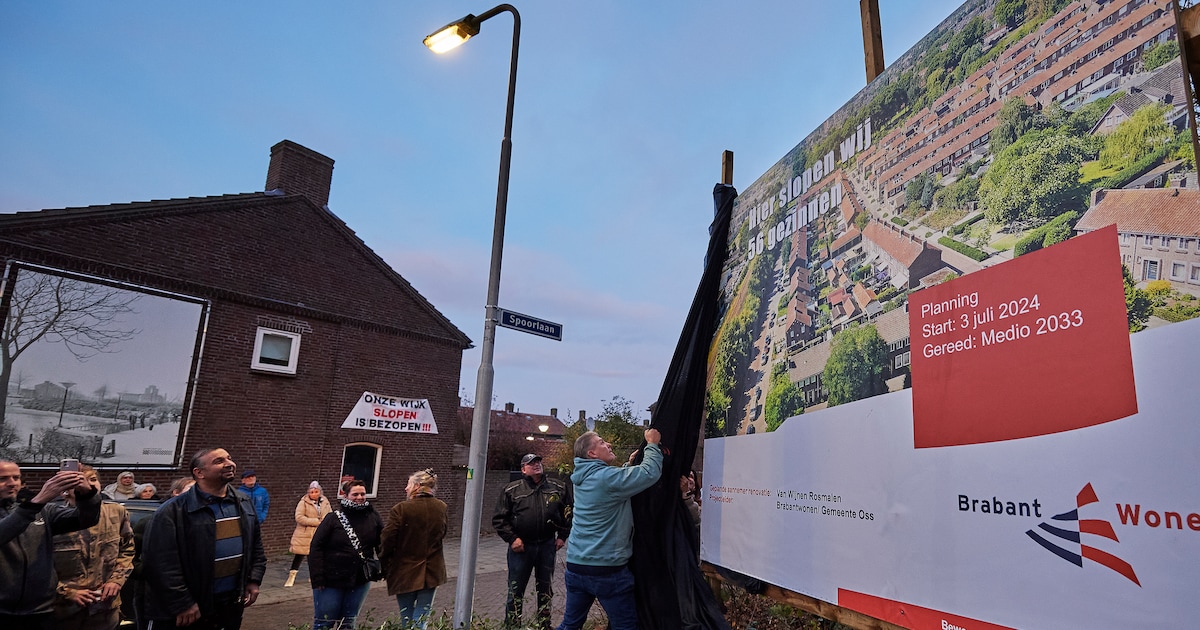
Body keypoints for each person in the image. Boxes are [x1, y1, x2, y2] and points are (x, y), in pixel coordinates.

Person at [141, 448, 266, 630]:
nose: (229, 463)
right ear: (199, 473)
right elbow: (160, 564)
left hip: (229, 605)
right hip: (190, 609)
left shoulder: (244, 502)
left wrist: (253, 580)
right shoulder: (172, 511)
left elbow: (255, 547)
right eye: (218, 461)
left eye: (229, 458)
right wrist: (182, 602)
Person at [557, 429, 662, 630]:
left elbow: (611, 484)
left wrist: (628, 467)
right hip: (606, 571)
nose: (609, 445)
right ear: (592, 454)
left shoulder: (582, 477)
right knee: (626, 626)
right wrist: (652, 445)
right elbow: (650, 473)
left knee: (571, 624)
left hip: (576, 565)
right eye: (602, 442)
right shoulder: (607, 478)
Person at [1, 458, 101, 629]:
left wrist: (86, 495)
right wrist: (38, 501)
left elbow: (86, 519)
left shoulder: (43, 511)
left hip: (41, 611)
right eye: (3, 479)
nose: (12, 483)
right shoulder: (34, 507)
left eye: (16, 478)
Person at [492, 453, 573, 630]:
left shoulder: (558, 487)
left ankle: (544, 625)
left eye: (538, 462)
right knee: (516, 590)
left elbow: (567, 512)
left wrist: (562, 536)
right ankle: (513, 626)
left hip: (546, 545)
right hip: (521, 547)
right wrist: (512, 539)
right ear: (523, 469)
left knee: (545, 589)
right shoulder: (511, 490)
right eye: (531, 463)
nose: (536, 465)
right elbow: (499, 519)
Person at [52, 465, 135, 630]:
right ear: (65, 490)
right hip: (62, 611)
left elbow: (127, 550)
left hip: (103, 610)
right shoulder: (52, 517)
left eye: (93, 479)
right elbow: (37, 564)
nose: (89, 484)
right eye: (80, 480)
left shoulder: (116, 513)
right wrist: (65, 591)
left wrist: (116, 581)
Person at [307, 479, 383, 630]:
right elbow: (316, 547)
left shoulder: (373, 517)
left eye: (362, 493)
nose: (360, 497)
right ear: (346, 495)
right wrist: (317, 577)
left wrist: (384, 567)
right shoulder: (333, 519)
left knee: (348, 623)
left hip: (359, 579)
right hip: (330, 580)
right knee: (324, 622)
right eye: (355, 494)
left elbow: (381, 544)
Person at [380, 469, 447, 629]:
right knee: (422, 615)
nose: (406, 488)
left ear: (417, 486)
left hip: (404, 570)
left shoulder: (401, 509)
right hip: (431, 571)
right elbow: (442, 533)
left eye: (408, 484)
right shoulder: (441, 507)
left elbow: (387, 538)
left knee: (407, 615)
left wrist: (384, 559)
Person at [130, 478, 192, 630]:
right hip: (154, 597)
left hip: (190, 597)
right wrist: (152, 573)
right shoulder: (151, 521)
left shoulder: (200, 522)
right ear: (176, 493)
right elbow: (130, 557)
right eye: (191, 489)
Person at [286, 481, 329, 588]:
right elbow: (299, 517)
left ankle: (313, 576)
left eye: (316, 492)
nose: (314, 494)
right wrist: (316, 521)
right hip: (305, 533)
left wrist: (325, 522)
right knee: (299, 555)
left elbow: (329, 515)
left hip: (319, 533)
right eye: (312, 492)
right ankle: (291, 577)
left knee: (316, 556)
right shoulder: (303, 502)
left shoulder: (325, 502)